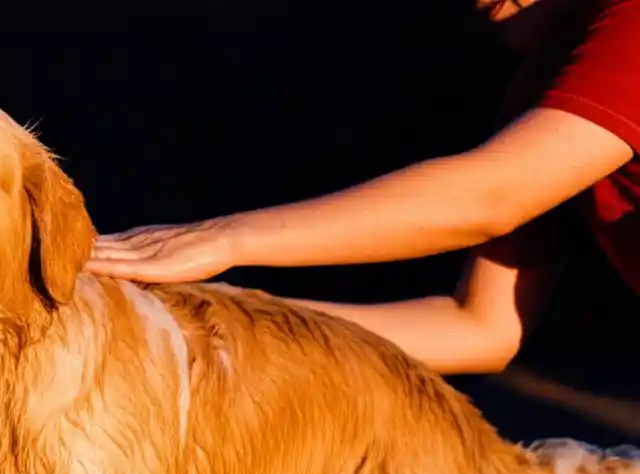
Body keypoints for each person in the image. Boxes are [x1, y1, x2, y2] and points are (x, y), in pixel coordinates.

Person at [85, 0, 639, 376]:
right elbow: (479, 328)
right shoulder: (549, 84)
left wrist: (226, 239)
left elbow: (489, 198)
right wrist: (214, 322)